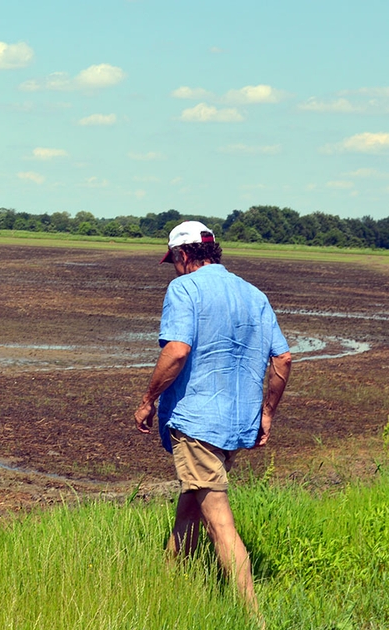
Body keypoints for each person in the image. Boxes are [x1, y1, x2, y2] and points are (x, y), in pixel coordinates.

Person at [134, 220, 292, 613]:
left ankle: (252, 616)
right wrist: (266, 413)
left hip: (196, 421)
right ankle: (169, 588)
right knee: (192, 501)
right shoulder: (253, 293)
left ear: (184, 255)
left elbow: (177, 350)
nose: (173, 267)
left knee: (220, 522)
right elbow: (283, 358)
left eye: (173, 259)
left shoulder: (184, 287)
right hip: (235, 424)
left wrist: (147, 399)